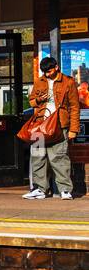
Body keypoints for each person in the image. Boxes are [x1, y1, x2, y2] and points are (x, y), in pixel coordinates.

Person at [24, 56, 81, 200]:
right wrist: (39, 99)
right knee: (38, 157)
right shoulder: (39, 81)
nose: (47, 74)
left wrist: (73, 129)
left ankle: (65, 190)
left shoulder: (68, 82)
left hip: (59, 125)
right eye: (44, 72)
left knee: (59, 157)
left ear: (56, 67)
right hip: (39, 126)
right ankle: (40, 189)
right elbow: (31, 102)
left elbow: (74, 107)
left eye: (49, 71)